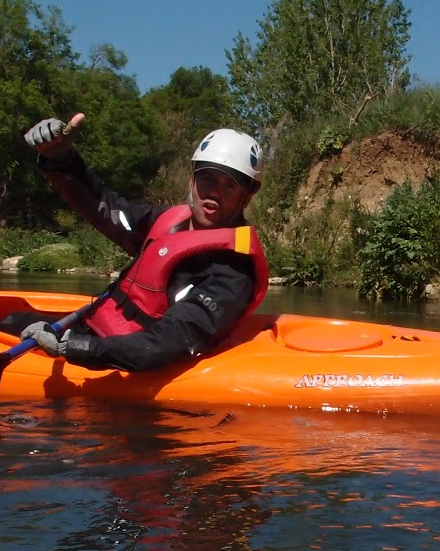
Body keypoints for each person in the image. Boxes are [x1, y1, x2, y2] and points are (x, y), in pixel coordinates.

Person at [16, 114, 269, 373]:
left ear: (247, 197)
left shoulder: (233, 272)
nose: (215, 192)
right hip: (92, 333)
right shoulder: (165, 221)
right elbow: (104, 207)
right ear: (192, 180)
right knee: (10, 321)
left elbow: (168, 341)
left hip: (117, 360)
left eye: (230, 186)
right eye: (208, 179)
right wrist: (59, 160)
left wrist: (76, 348)